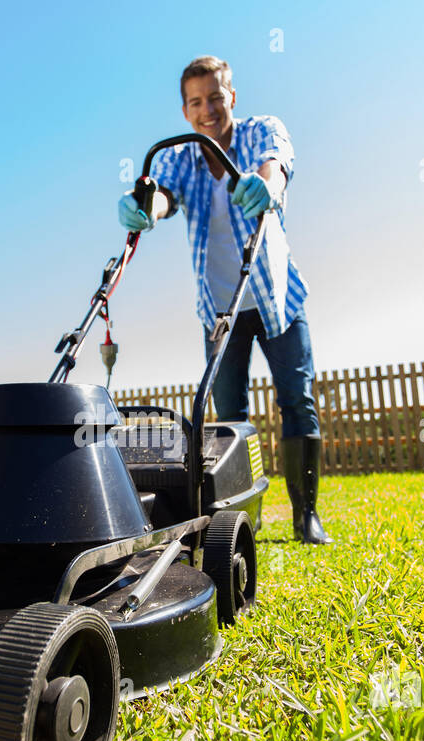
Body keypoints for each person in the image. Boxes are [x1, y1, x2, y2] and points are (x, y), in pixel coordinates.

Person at [117, 55, 331, 544]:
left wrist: (268, 183)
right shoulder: (180, 156)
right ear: (185, 110)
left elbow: (277, 163)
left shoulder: (260, 130)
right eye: (196, 102)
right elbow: (165, 197)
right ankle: (242, 522)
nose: (207, 109)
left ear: (231, 96)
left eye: (215, 97)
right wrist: (143, 207)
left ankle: (306, 516)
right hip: (220, 309)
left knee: (297, 402)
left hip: (277, 298)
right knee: (230, 417)